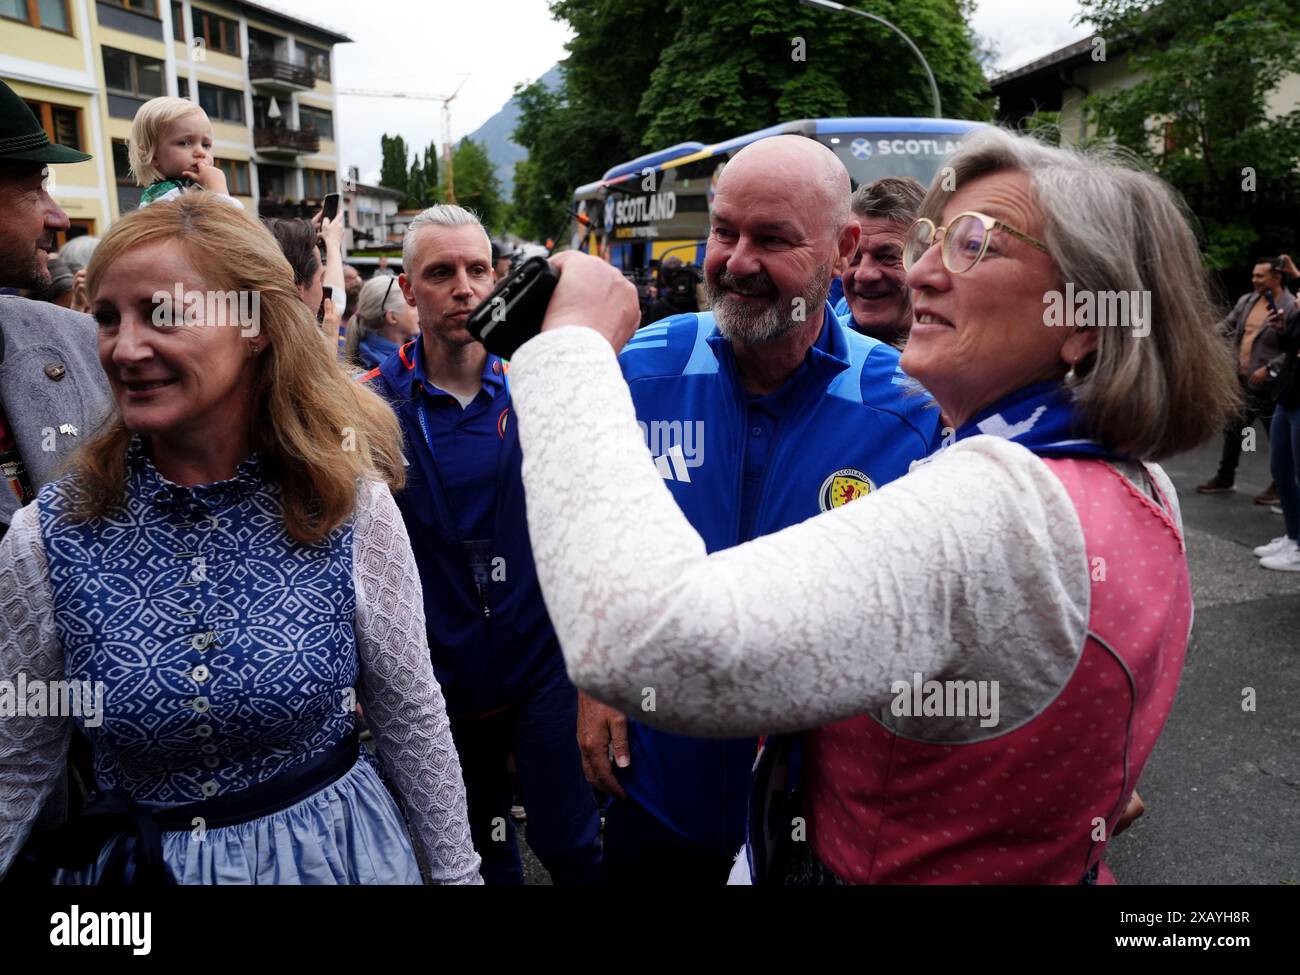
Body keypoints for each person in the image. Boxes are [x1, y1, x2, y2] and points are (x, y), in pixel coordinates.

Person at [505, 126, 1240, 884]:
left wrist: (567, 347)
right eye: (931, 241)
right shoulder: (1138, 480)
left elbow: (649, 637)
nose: (917, 272)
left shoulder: (998, 499)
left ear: (1084, 316)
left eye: (974, 244)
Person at [0, 194, 481, 885]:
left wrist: (458, 877)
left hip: (337, 861)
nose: (125, 348)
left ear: (252, 326)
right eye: (106, 317)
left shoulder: (346, 503)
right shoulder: (48, 536)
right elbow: (17, 756)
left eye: (163, 314)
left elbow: (409, 713)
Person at [581, 136, 941, 886]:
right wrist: (592, 677)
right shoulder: (640, 369)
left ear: (844, 248)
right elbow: (589, 533)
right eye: (724, 231)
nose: (736, 261)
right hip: (655, 790)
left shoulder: (910, 403)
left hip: (821, 822)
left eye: (772, 238)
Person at [359, 204, 602, 886]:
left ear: (497, 280)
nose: (463, 287)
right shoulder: (370, 406)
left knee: (572, 841)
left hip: (542, 662)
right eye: (440, 272)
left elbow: (586, 514)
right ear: (407, 290)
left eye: (477, 270)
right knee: (478, 853)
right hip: (440, 675)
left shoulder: (539, 382)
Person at [1196, 258, 1294, 504]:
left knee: (1276, 436)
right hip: (1243, 379)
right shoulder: (1247, 301)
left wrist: (1270, 369)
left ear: (1276, 278)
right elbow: (1228, 326)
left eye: (1260, 276)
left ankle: (1278, 485)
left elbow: (1293, 348)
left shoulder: (1291, 305)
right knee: (1235, 430)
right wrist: (1200, 336)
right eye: (1253, 275)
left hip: (1272, 384)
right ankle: (1225, 477)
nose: (1254, 280)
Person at [833, 176, 925, 348]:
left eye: (888, 257)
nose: (863, 274)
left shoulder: (964, 358)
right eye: (854, 256)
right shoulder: (816, 351)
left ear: (929, 258)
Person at [1254, 288, 1300, 570]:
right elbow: (1292, 347)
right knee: (1281, 471)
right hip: (1288, 396)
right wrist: (1283, 329)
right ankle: (1293, 536)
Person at [127, 97, 242, 209]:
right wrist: (219, 190)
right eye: (184, 143)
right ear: (152, 155)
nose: (200, 152)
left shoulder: (186, 189)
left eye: (206, 145)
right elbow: (230, 224)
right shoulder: (168, 197)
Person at [344, 272, 419, 370]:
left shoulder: (413, 351)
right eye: (412, 305)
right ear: (392, 317)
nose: (419, 309)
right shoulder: (375, 372)